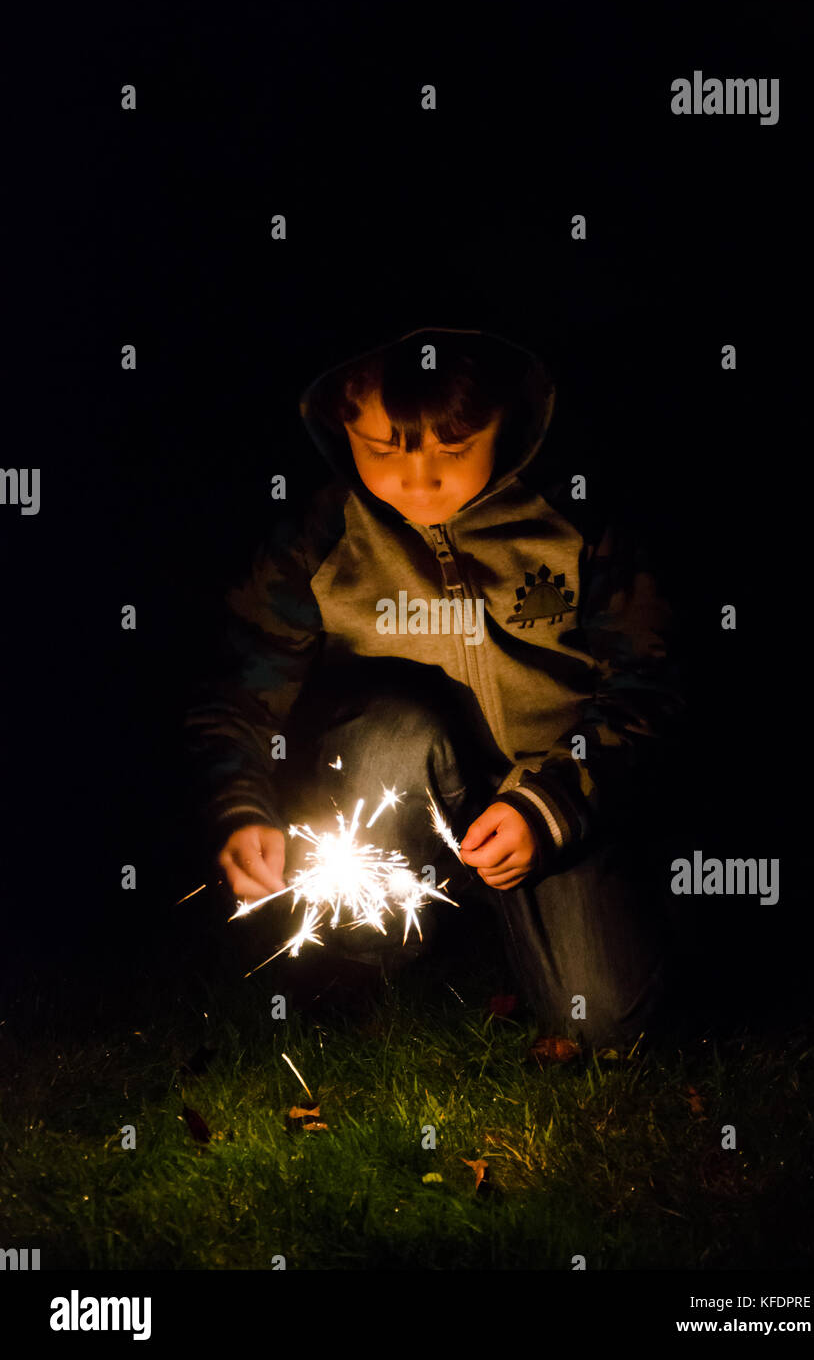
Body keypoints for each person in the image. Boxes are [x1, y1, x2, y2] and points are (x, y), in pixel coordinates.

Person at [184, 326, 686, 1050]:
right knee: (389, 736)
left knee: (605, 1019)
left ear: (505, 416)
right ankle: (365, 953)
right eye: (384, 449)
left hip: (548, 787)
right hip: (396, 772)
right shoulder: (319, 533)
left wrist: (550, 809)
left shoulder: (576, 521)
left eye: (453, 449)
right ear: (338, 420)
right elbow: (240, 687)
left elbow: (651, 687)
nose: (418, 481)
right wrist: (239, 805)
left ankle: (605, 909)